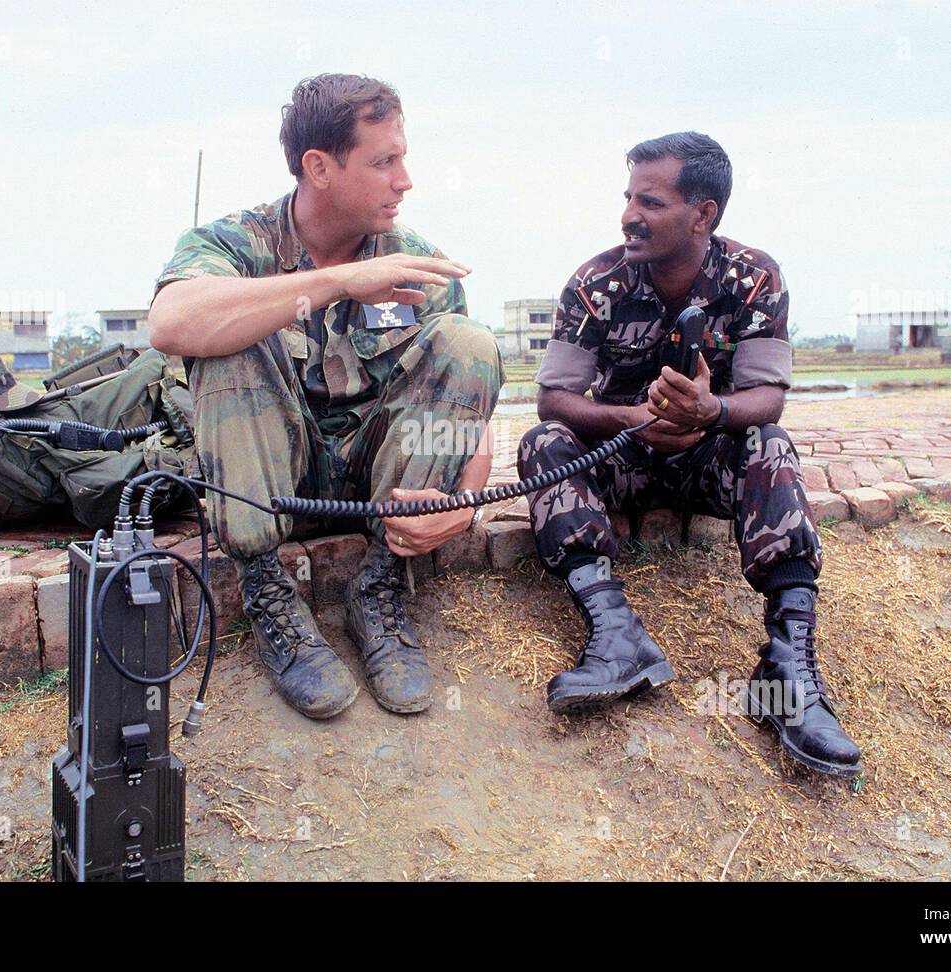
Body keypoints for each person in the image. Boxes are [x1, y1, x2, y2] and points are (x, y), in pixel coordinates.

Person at [149, 74, 503, 719]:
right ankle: (265, 589)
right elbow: (173, 323)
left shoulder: (415, 262)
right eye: (383, 161)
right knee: (229, 336)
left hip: (378, 483)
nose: (405, 180)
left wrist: (465, 501)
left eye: (403, 157)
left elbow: (465, 405)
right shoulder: (234, 242)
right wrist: (341, 281)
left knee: (470, 341)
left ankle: (383, 587)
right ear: (320, 167)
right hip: (275, 482)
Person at [517, 131, 861, 777]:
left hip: (708, 460)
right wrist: (630, 420)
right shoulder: (595, 283)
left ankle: (788, 669)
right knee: (543, 445)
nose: (628, 215)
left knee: (771, 443)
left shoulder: (754, 277)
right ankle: (616, 636)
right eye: (627, 197)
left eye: (649, 201)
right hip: (623, 459)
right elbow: (553, 400)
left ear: (702, 214)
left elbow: (768, 399)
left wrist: (713, 412)